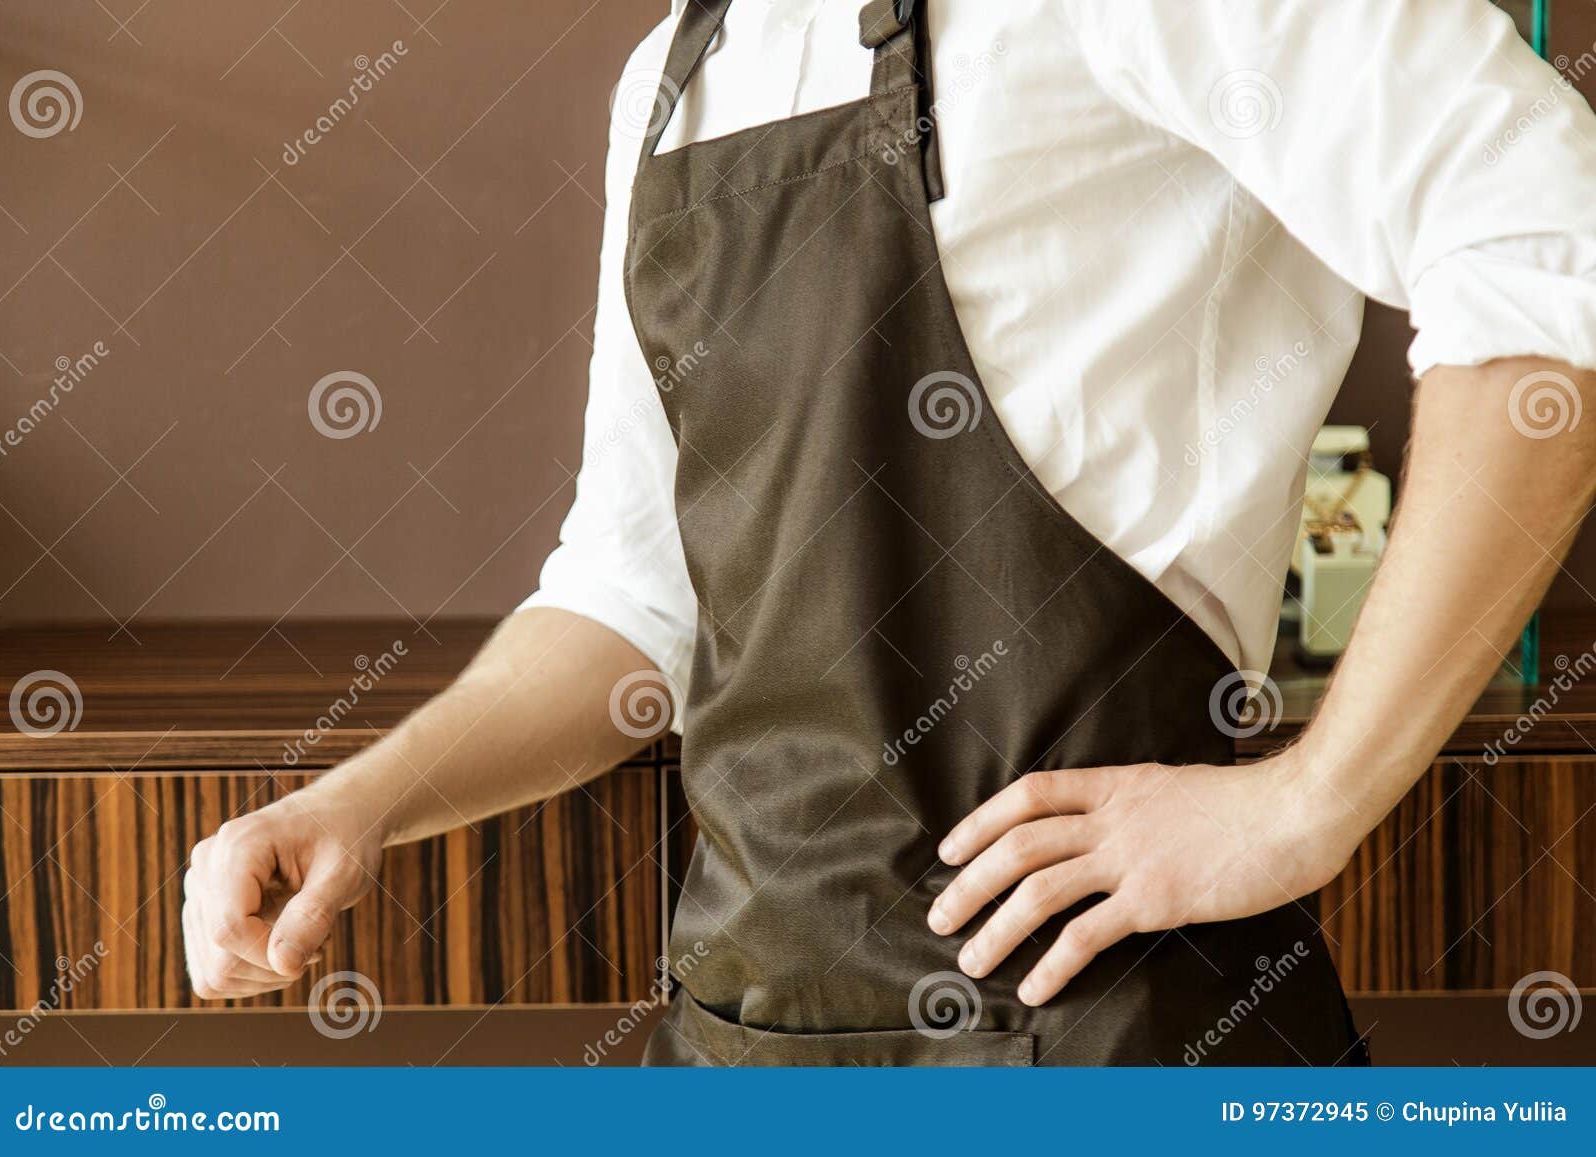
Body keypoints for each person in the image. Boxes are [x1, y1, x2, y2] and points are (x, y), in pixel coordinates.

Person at [182, 0, 1596, 1065]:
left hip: (1109, 1038)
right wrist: (359, 799)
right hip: (747, 1040)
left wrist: (1313, 799)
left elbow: (1554, 251)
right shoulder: (677, 73)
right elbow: (636, 596)